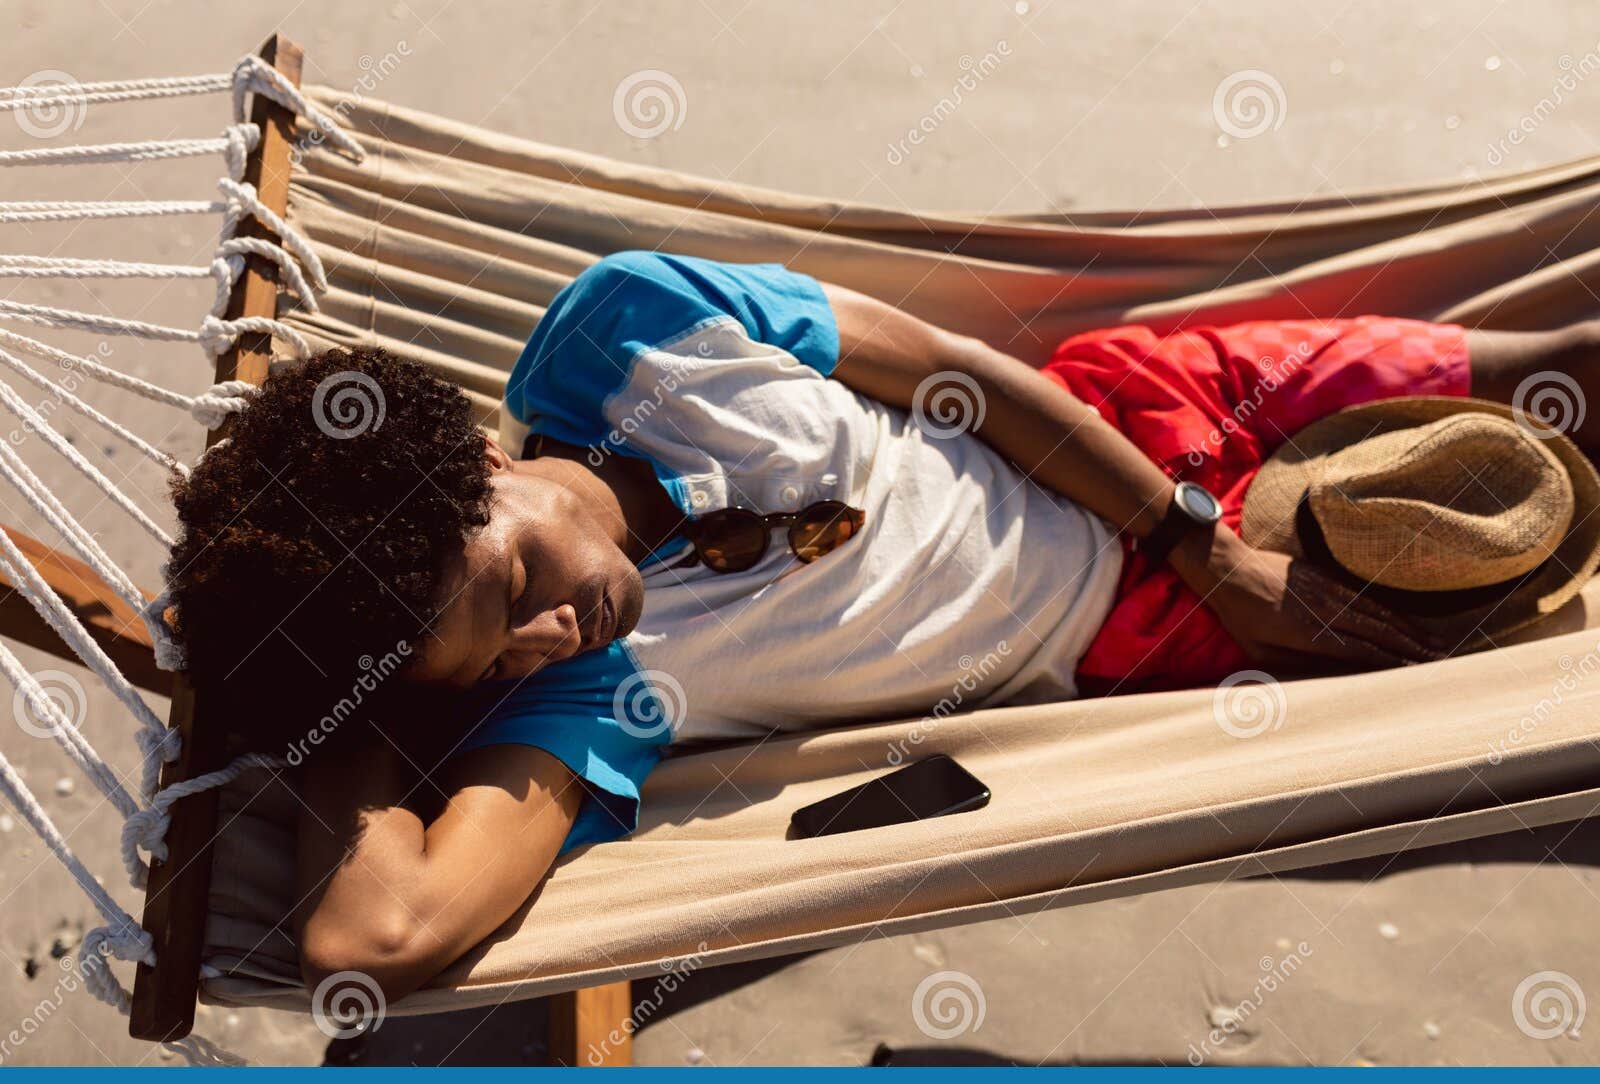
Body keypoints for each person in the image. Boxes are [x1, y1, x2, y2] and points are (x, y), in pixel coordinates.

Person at [165, 251, 1600, 1002]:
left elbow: (960, 368)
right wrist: (338, 703)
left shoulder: (623, 328)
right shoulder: (588, 701)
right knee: (1506, 612)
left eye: (511, 581)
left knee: (1567, 380)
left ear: (474, 460)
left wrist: (1201, 538)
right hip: (1134, 634)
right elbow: (376, 933)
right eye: (496, 653)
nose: (555, 624)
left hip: (1125, 416)